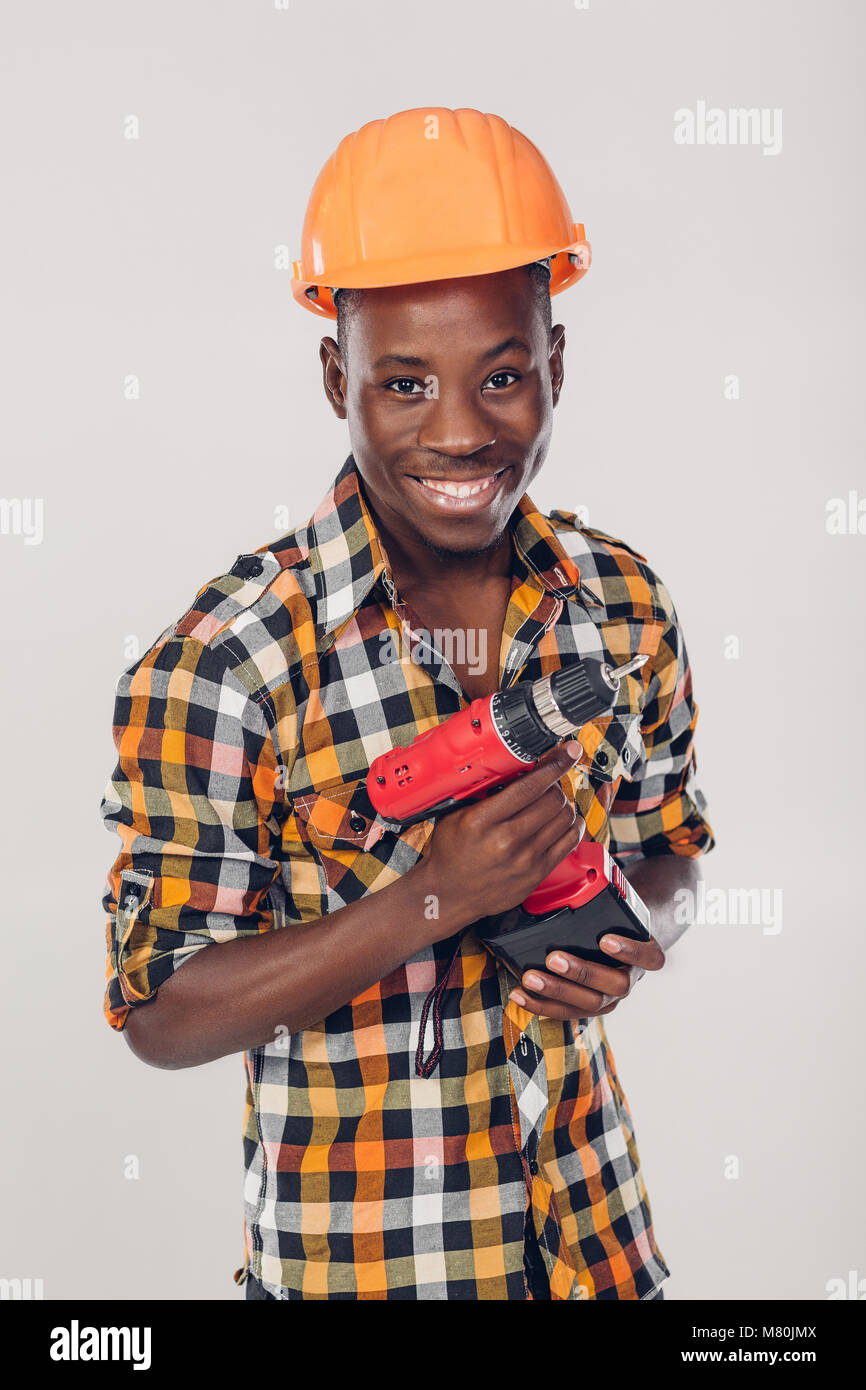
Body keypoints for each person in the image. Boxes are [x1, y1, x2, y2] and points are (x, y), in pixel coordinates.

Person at [100, 107, 715, 1301]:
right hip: (363, 1277)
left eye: (501, 376)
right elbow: (159, 1006)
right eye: (402, 383)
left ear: (553, 365)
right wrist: (435, 894)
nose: (458, 431)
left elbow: (669, 844)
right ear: (337, 376)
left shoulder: (621, 604)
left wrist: (639, 929)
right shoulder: (228, 662)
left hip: (596, 1252)